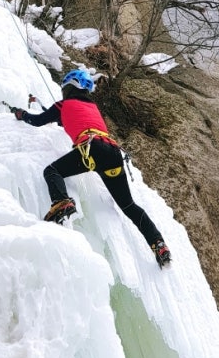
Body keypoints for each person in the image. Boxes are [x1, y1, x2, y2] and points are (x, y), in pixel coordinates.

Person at [11, 69, 171, 268]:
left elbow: (37, 121)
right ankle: (158, 244)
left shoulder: (63, 105)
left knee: (52, 171)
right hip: (113, 153)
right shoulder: (93, 107)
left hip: (92, 150)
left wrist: (21, 114)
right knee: (129, 205)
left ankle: (61, 202)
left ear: (69, 87)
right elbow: (79, 120)